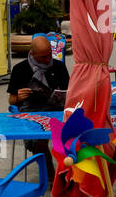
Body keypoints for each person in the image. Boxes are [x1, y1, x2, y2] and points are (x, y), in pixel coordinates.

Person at [7, 35, 71, 181]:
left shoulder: (58, 66)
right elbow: (11, 100)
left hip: (56, 109)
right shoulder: (20, 69)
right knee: (39, 140)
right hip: (31, 111)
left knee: (72, 133)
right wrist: (18, 97)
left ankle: (70, 171)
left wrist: (62, 94)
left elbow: (69, 93)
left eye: (50, 55)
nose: (48, 60)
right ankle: (53, 178)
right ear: (32, 54)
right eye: (43, 57)